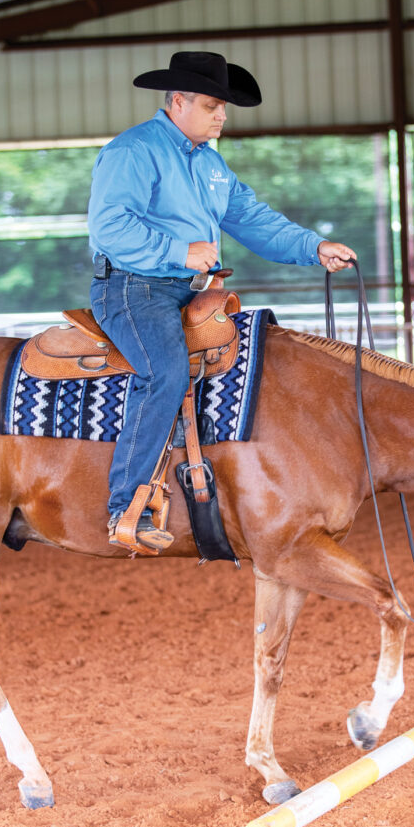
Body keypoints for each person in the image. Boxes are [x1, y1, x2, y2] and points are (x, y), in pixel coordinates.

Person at [88, 50, 356, 553]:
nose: (222, 115)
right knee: (164, 373)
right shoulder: (134, 152)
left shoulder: (210, 163)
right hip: (133, 288)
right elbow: (110, 227)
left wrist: (312, 247)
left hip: (190, 292)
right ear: (177, 101)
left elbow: (253, 218)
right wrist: (179, 251)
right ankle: (126, 506)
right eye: (212, 104)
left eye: (223, 107)